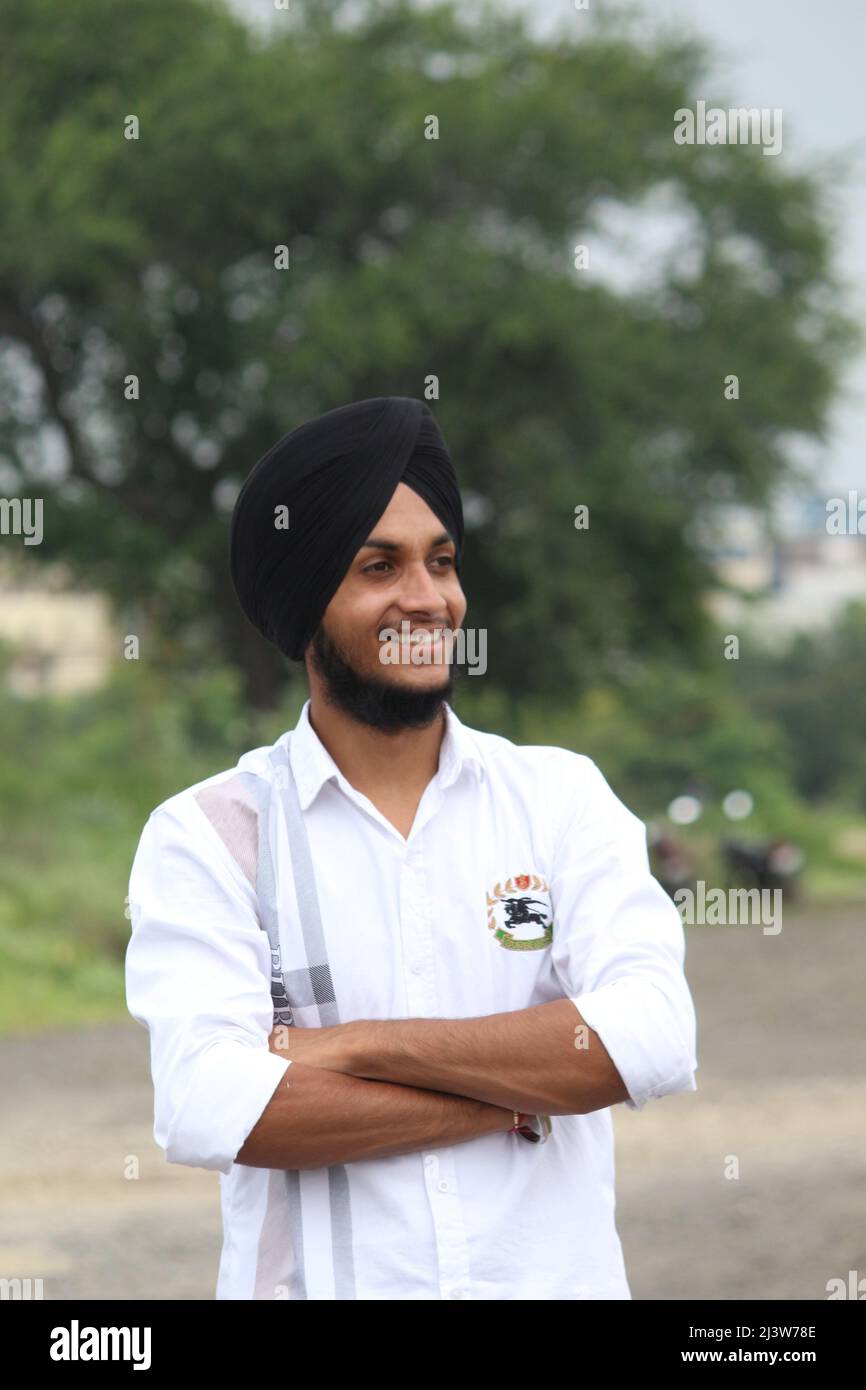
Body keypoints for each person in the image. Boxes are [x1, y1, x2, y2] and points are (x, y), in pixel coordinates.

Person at [125, 395, 698, 1300]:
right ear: (307, 600)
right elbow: (210, 1108)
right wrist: (523, 1091)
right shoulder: (211, 834)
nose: (428, 599)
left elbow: (651, 1040)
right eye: (378, 566)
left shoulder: (558, 798)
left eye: (441, 561)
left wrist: (348, 1047)